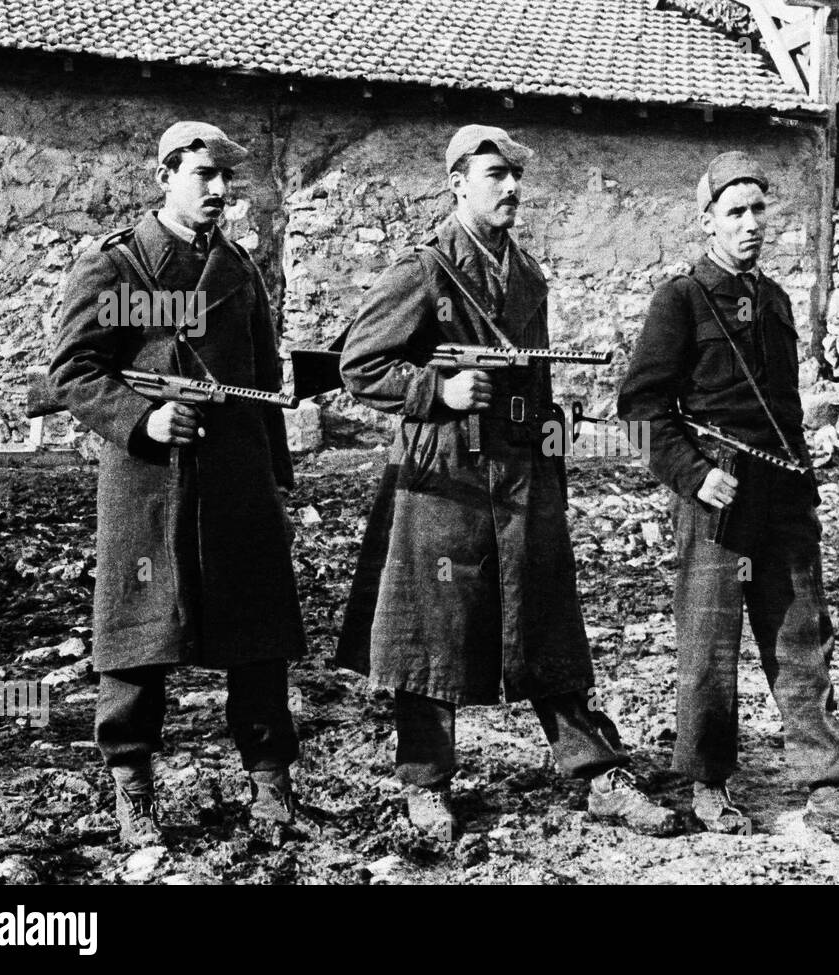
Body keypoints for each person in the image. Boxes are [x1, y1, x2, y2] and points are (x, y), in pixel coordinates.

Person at [335, 124, 678, 840]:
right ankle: (425, 784)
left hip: (521, 475)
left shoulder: (527, 275)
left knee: (546, 618)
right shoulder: (424, 269)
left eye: (516, 176)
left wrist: (555, 433)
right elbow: (360, 365)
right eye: (496, 175)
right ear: (458, 182)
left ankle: (596, 769)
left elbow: (534, 380)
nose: (512, 188)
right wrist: (440, 390)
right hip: (444, 476)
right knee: (432, 630)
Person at [617, 152, 839, 845]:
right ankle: (709, 781)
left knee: (802, 635)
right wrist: (692, 474)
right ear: (708, 219)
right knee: (709, 641)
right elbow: (639, 411)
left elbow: (780, 406)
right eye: (735, 211)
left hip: (781, 488)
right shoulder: (680, 299)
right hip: (716, 491)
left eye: (758, 210)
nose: (750, 224)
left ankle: (829, 787)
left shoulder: (775, 300)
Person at [49, 122, 305, 846]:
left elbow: (262, 384)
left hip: (235, 482)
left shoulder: (238, 269)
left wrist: (277, 486)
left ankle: (270, 781)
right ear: (165, 177)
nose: (220, 191)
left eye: (227, 178)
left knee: (258, 635)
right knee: (136, 640)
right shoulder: (118, 266)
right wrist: (143, 419)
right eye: (203, 176)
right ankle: (132, 788)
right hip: (148, 482)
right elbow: (73, 371)